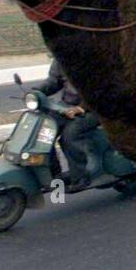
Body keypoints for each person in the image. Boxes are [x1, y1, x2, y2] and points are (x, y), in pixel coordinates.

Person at [37, 59, 100, 191]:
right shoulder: (61, 58)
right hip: (66, 107)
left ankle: (81, 177)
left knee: (70, 135)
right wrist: (37, 92)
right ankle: (54, 173)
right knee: (44, 132)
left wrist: (81, 108)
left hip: (94, 108)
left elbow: (100, 89)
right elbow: (53, 82)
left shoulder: (93, 57)